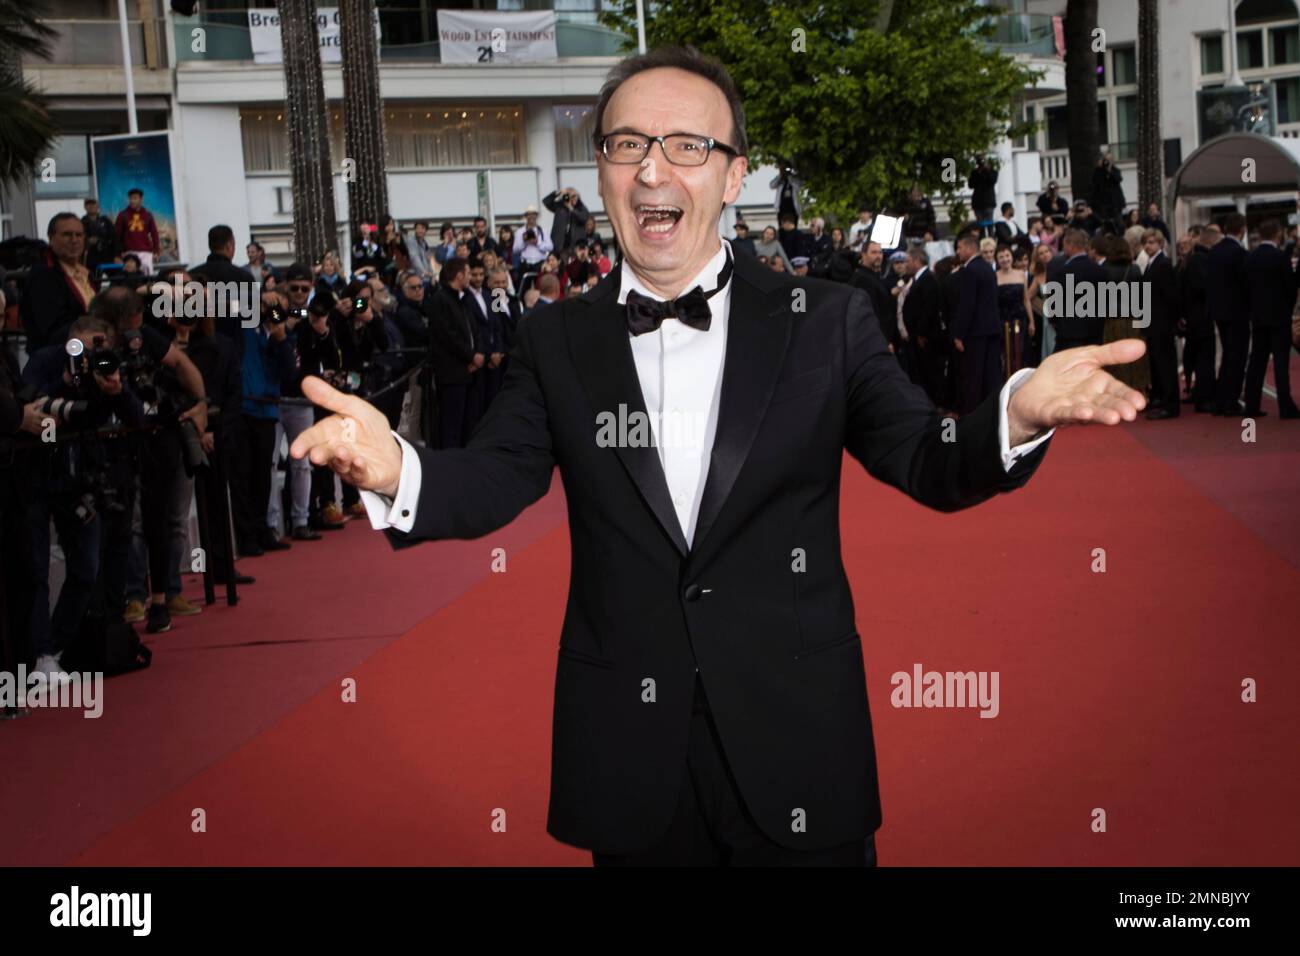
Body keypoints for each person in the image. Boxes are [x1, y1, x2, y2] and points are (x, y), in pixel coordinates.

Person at [289, 44, 1146, 868]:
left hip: (800, 735)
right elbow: (496, 473)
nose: (653, 171)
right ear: (601, 173)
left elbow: (926, 456)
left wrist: (1015, 414)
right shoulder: (556, 338)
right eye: (628, 146)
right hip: (629, 747)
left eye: (688, 147)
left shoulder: (828, 319)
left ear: (737, 175)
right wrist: (400, 468)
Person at [1243, 219, 1299, 418]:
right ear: (1277, 234)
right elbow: (1290, 287)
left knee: (1257, 361)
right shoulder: (1280, 257)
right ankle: (1285, 405)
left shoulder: (1250, 258)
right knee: (1280, 363)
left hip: (1258, 317)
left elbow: (1245, 289)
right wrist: (1288, 308)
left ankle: (1251, 404)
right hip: (1279, 316)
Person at [19, 213, 95, 352]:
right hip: (56, 358)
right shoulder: (43, 275)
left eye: (79, 235)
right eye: (67, 234)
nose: (74, 240)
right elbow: (53, 329)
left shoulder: (84, 273)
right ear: (51, 238)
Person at [951, 234, 1003, 411]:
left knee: (974, 377)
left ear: (969, 248)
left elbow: (968, 304)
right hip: (992, 329)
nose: (958, 252)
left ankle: (973, 415)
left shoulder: (970, 270)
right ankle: (993, 411)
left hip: (976, 332)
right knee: (991, 375)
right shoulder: (988, 268)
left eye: (959, 248)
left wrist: (959, 334)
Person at [1208, 213, 1250, 416]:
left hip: (1219, 311)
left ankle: (1221, 398)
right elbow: (1245, 284)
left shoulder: (1214, 252)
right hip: (1237, 312)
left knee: (1226, 356)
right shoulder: (1239, 253)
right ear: (1242, 230)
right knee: (1237, 357)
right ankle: (1231, 400)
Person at [1142, 230, 1181, 419]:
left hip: (1162, 324)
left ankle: (1170, 403)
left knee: (1165, 365)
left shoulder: (1162, 265)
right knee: (1158, 364)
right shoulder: (1153, 264)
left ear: (1160, 243)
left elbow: (1171, 297)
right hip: (1155, 323)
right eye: (1145, 243)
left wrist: (1171, 321)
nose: (1148, 246)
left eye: (1151, 242)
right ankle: (1163, 399)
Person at [1179, 226, 1218, 412]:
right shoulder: (1200, 260)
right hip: (1201, 317)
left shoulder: (1191, 261)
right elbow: (1201, 288)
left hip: (1193, 317)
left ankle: (1200, 393)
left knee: (1195, 356)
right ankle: (1204, 396)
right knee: (1204, 358)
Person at [114, 188, 161, 275]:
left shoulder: (148, 215)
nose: (132, 201)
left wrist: (156, 251)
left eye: (135, 198)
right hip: (129, 252)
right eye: (131, 198)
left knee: (147, 278)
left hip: (145, 253)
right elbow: (117, 236)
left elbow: (154, 234)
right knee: (130, 276)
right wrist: (117, 255)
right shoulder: (123, 215)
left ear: (141, 199)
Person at [542, 188, 590, 257]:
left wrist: (571, 208)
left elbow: (583, 218)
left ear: (578, 196)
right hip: (561, 246)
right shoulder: (560, 206)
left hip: (576, 246)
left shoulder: (581, 207)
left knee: (575, 266)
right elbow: (546, 202)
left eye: (574, 196)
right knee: (562, 266)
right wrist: (557, 193)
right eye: (570, 196)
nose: (572, 198)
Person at [82, 198, 118, 273]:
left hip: (108, 255)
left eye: (93, 204)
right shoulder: (81, 222)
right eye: (88, 204)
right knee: (93, 280)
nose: (91, 206)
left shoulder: (105, 220)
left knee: (116, 278)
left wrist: (117, 255)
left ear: (98, 206)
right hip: (91, 257)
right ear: (85, 207)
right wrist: (87, 241)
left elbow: (114, 238)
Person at [968, 156, 998, 224]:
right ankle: (982, 234)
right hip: (977, 203)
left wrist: (987, 171)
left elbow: (992, 181)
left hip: (989, 202)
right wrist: (978, 173)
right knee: (980, 225)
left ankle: (990, 234)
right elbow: (971, 185)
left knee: (989, 223)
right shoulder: (975, 173)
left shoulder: (993, 172)